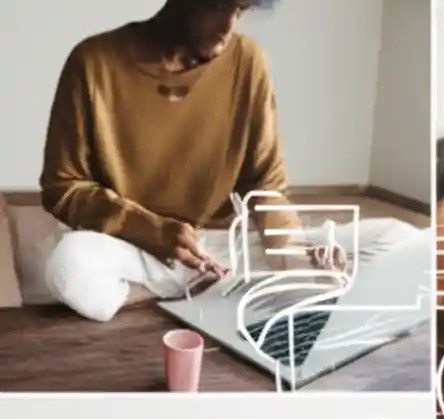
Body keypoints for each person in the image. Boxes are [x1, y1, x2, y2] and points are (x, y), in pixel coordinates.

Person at [39, 0, 332, 323]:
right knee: (69, 266)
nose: (227, 28)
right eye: (217, 6)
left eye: (241, 11)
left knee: (389, 238)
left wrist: (287, 252)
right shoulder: (93, 62)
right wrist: (152, 230)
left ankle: (205, 287)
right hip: (130, 243)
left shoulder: (249, 61)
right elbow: (62, 187)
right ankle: (209, 292)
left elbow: (265, 183)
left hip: (218, 247)